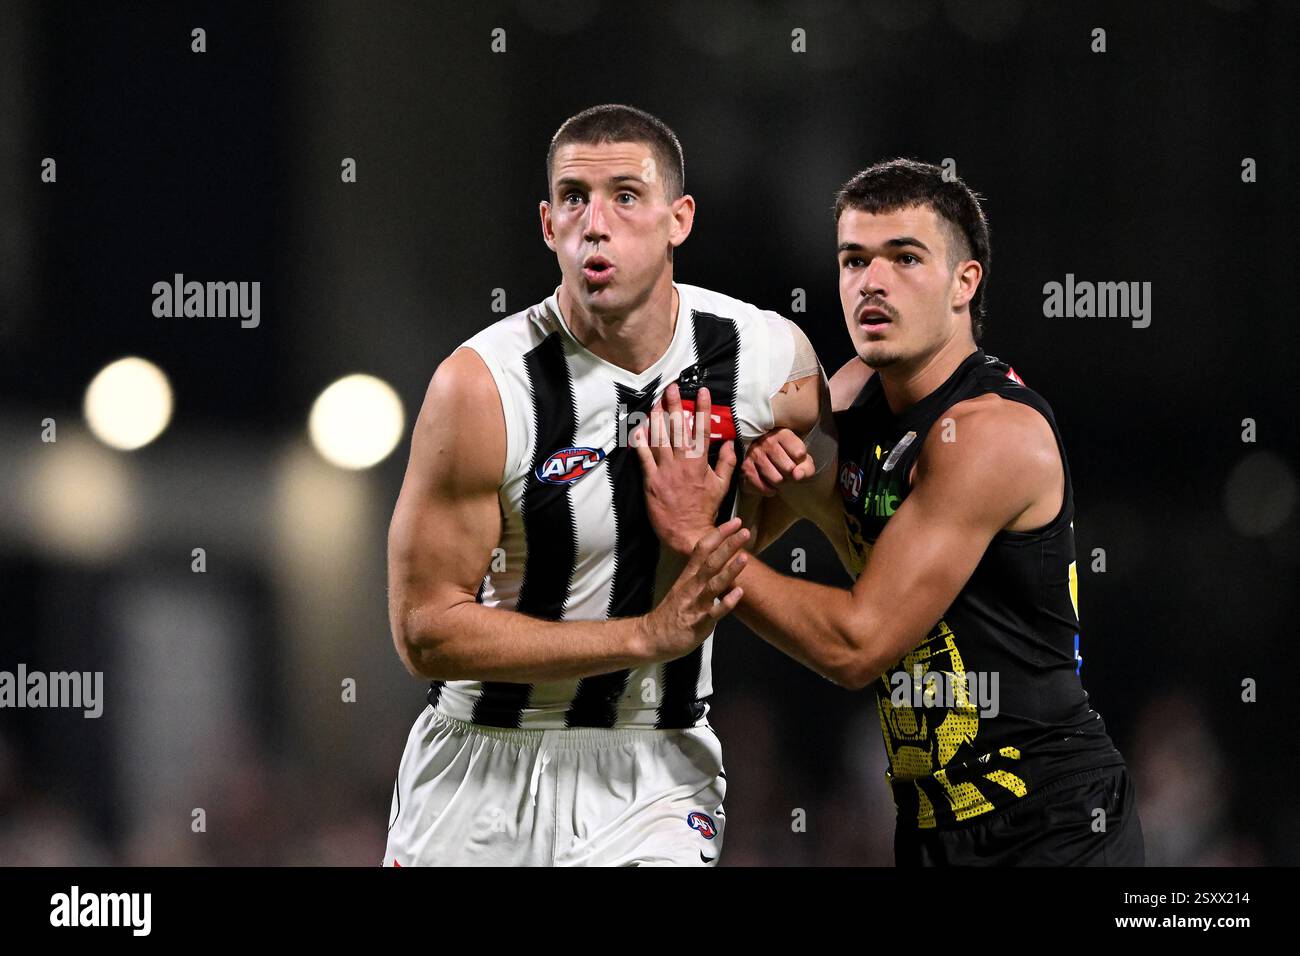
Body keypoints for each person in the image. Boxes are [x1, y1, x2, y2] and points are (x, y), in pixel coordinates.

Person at [637, 158, 1144, 866]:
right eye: (853, 261)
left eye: (906, 258)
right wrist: (753, 483)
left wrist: (702, 542)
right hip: (929, 827)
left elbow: (856, 644)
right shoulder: (848, 396)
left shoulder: (992, 434)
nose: (871, 283)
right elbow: (744, 540)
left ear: (965, 283)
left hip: (1051, 824)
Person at [382, 104, 821, 866]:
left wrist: (758, 493)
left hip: (654, 762)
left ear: (679, 218)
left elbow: (812, 482)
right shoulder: (481, 386)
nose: (596, 223)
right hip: (481, 766)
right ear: (548, 225)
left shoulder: (770, 360)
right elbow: (425, 630)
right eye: (574, 198)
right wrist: (646, 636)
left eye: (626, 195)